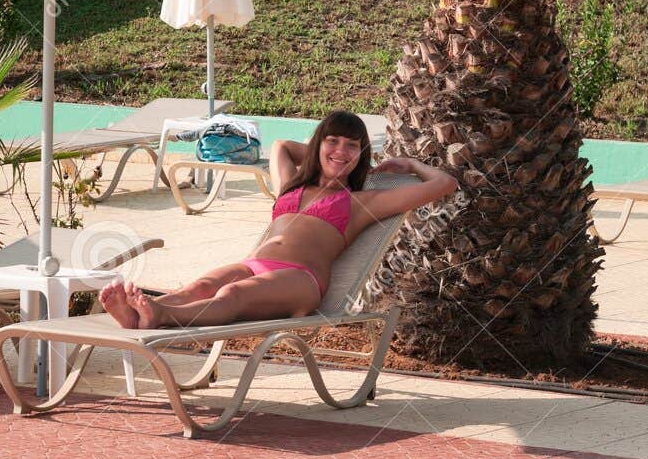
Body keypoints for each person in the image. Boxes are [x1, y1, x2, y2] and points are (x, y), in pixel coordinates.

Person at [98, 109, 457, 331]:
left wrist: (409, 165)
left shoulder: (363, 202)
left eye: (351, 146)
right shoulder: (291, 185)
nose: (340, 151)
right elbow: (281, 145)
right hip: (255, 263)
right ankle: (139, 315)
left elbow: (445, 184)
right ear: (318, 145)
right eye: (332, 142)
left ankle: (157, 315)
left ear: (361, 155)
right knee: (197, 288)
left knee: (232, 293)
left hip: (300, 279)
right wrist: (322, 156)